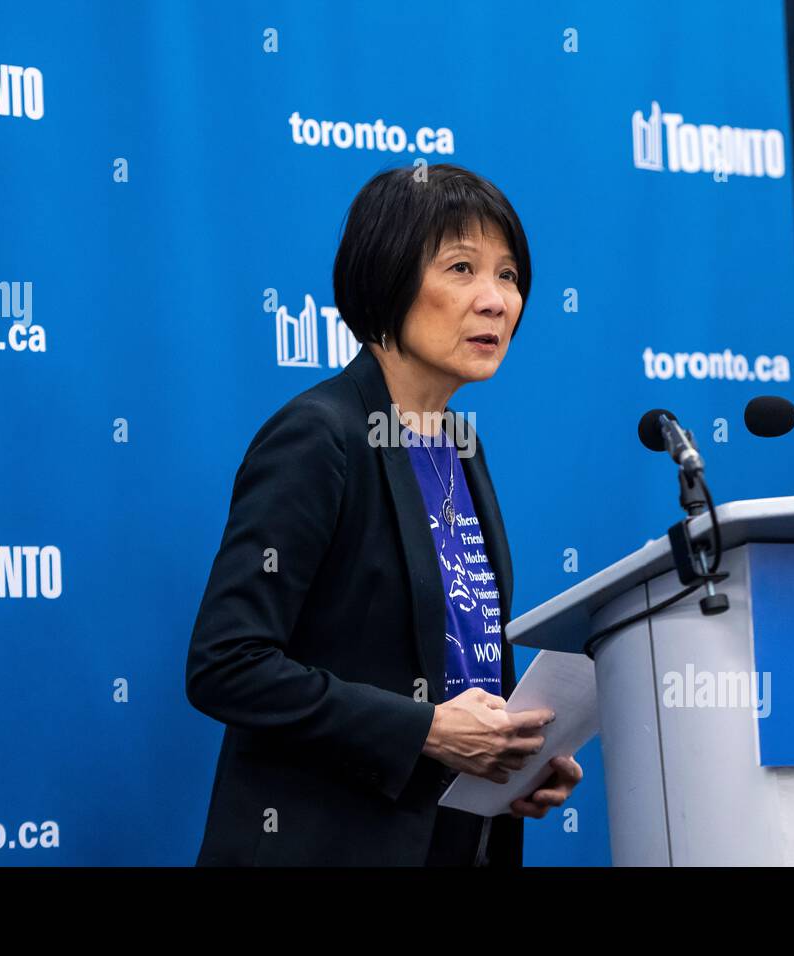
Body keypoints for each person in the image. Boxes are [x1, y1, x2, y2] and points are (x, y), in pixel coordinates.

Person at [186, 163, 583, 866]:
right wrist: (425, 731)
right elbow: (227, 664)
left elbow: (448, 664)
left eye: (510, 276)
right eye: (462, 268)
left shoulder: (460, 447)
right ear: (387, 278)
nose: (495, 300)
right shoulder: (320, 436)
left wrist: (508, 761)